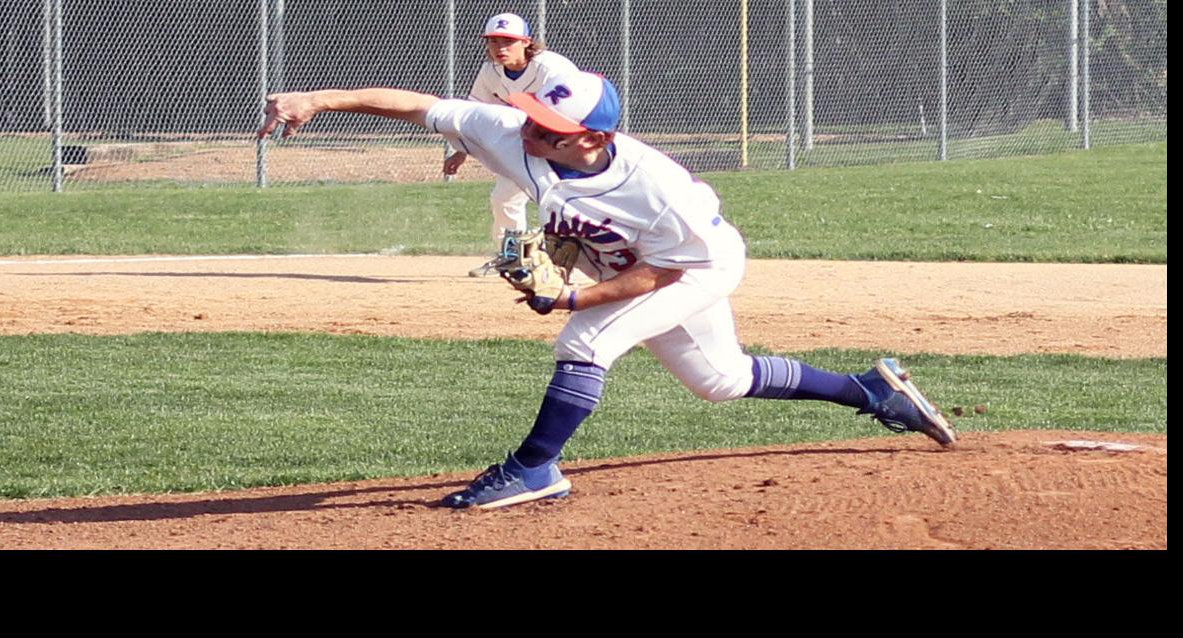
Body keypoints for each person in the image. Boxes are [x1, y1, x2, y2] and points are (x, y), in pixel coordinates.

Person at [258, 70, 958, 511]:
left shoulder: (658, 191)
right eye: (532, 117)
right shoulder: (519, 134)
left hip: (698, 264)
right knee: (721, 379)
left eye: (550, 128)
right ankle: (875, 391)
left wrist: (569, 300)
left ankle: (533, 470)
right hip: (641, 262)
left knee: (587, 339)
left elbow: (663, 274)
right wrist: (318, 99)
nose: (529, 129)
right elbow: (424, 108)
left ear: (591, 139)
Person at [445, 12, 580, 278]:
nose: (500, 48)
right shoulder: (490, 71)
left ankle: (576, 261)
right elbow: (476, 114)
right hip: (525, 144)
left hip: (565, 143)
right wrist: (460, 152)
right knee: (504, 199)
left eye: (508, 41)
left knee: (562, 202)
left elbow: (576, 110)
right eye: (493, 41)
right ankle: (512, 258)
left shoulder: (552, 69)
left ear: (526, 42)